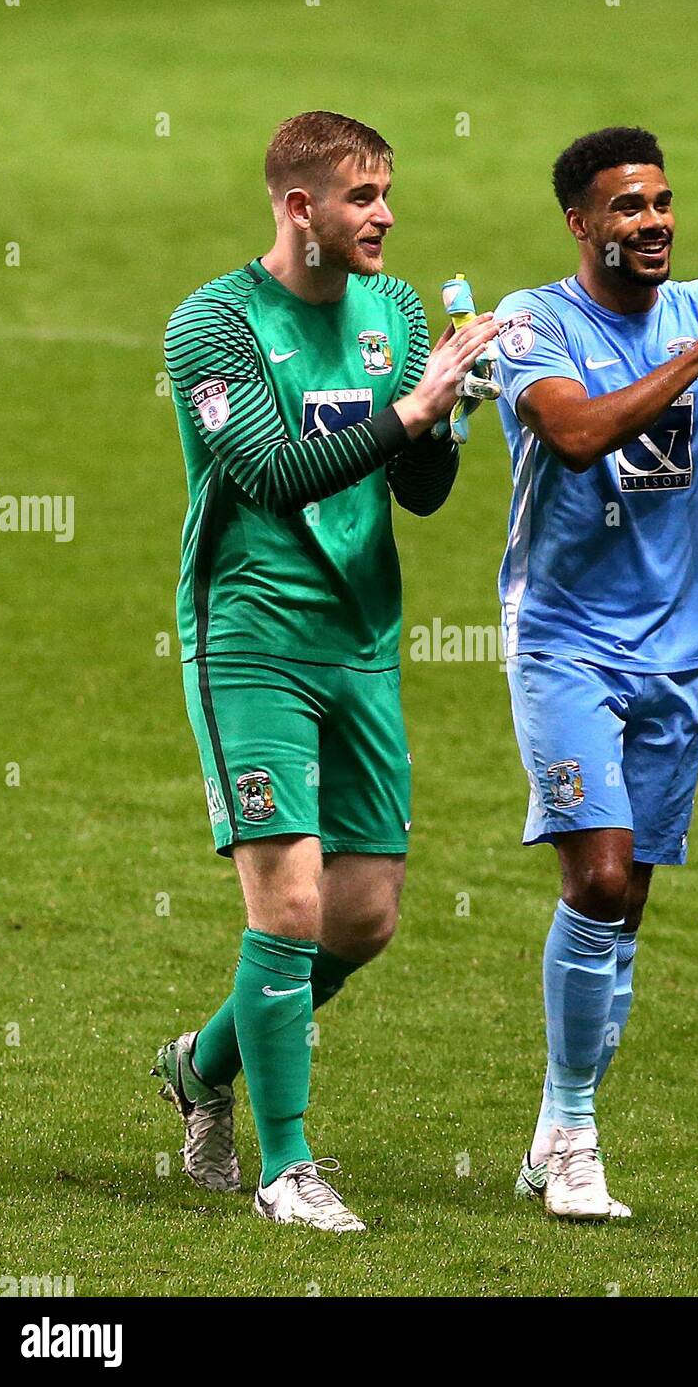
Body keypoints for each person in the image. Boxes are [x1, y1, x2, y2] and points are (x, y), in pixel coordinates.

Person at [156, 110, 500, 1233]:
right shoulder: (210, 325)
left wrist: (445, 419)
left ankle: (201, 1064)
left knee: (361, 920)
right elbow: (262, 472)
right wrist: (408, 407)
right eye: (362, 196)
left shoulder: (394, 313)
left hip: (361, 638)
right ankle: (285, 1165)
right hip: (249, 634)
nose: (386, 215)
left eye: (387, 193)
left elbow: (419, 493)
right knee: (291, 905)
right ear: (299, 207)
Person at [493, 125, 698, 1220]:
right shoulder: (531, 323)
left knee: (624, 900)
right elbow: (577, 435)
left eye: (661, 204)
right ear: (579, 223)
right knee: (592, 877)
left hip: (675, 657)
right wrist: (696, 351)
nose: (652, 223)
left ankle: (555, 1124)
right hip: (564, 642)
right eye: (626, 208)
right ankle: (577, 1136)